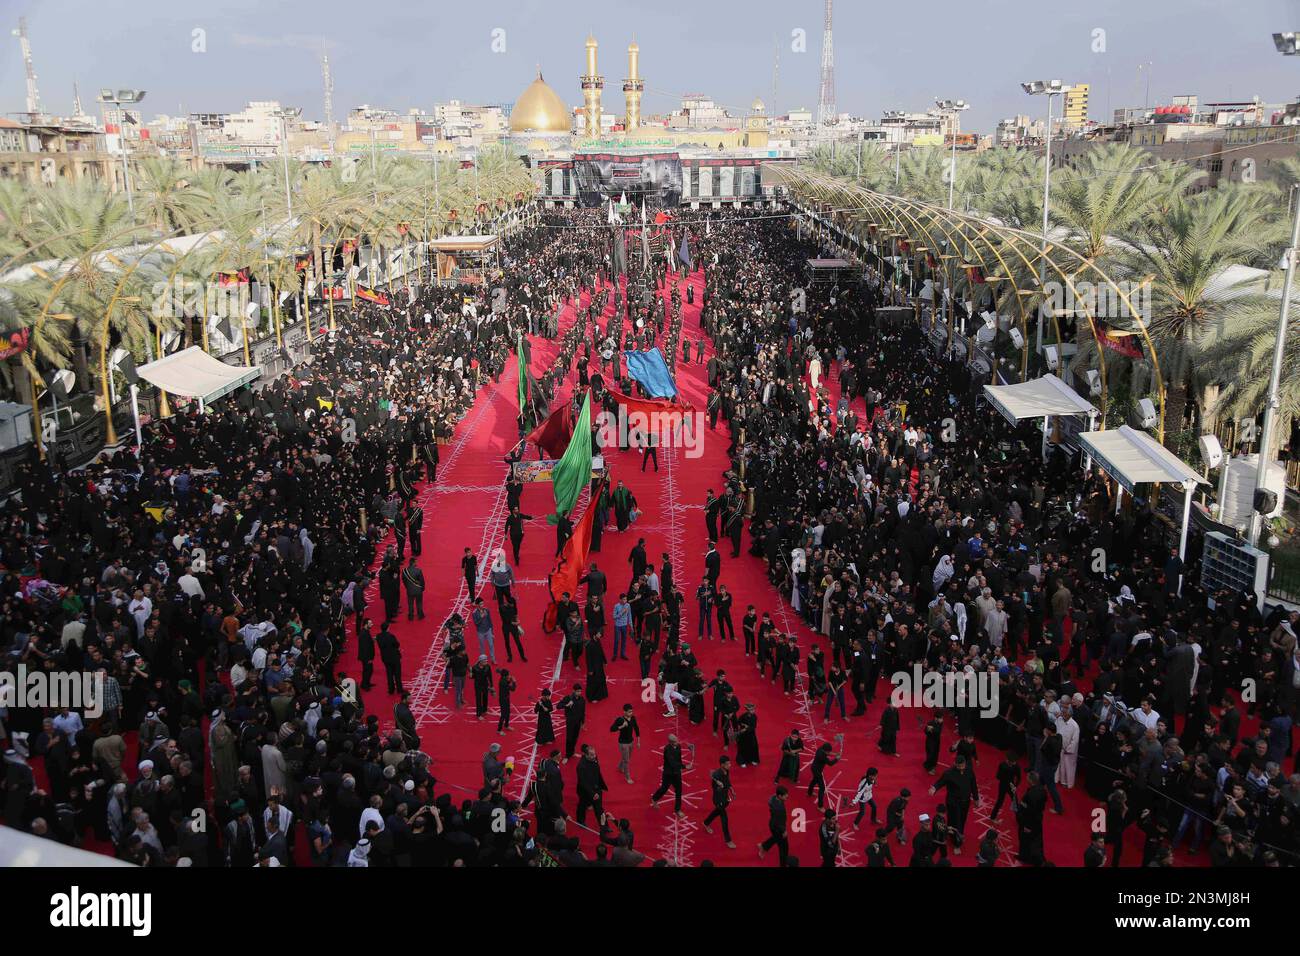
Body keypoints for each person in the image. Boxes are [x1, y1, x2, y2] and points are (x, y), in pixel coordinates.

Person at [702, 755, 736, 848]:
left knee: (716, 812)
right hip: (718, 799)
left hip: (725, 798)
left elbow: (727, 781)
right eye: (728, 764)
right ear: (722, 765)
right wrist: (719, 787)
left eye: (729, 763)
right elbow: (715, 789)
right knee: (724, 819)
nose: (730, 765)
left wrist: (731, 789)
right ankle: (728, 840)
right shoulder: (717, 775)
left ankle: (706, 823)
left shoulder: (726, 771)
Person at [650, 734, 686, 817]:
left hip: (677, 773)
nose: (678, 742)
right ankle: (654, 798)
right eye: (676, 741)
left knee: (679, 791)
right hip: (668, 774)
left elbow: (679, 759)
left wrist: (681, 767)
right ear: (671, 743)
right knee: (664, 789)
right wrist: (684, 766)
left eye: (677, 740)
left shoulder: (679, 746)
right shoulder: (667, 750)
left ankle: (677, 809)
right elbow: (672, 763)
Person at [756, 785, 789, 864]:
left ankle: (763, 846)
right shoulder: (779, 809)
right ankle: (783, 864)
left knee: (776, 838)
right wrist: (783, 830)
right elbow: (778, 822)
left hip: (773, 825)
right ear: (780, 796)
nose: (787, 796)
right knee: (783, 847)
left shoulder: (773, 798)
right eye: (785, 795)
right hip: (778, 827)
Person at [610, 705, 640, 784]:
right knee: (626, 760)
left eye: (632, 711)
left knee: (627, 757)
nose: (631, 713)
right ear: (624, 712)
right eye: (629, 712)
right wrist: (622, 726)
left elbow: (636, 728)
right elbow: (612, 729)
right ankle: (627, 777)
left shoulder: (633, 718)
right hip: (623, 743)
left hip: (631, 742)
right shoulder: (620, 720)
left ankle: (620, 767)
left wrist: (638, 741)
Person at [375, 623, 403, 695]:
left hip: (385, 658)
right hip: (394, 657)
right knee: (397, 674)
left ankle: (391, 689)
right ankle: (399, 689)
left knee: (389, 673)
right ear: (387, 628)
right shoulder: (391, 636)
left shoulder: (378, 636)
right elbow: (397, 644)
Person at [402, 556, 425, 621]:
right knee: (419, 603)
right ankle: (420, 615)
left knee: (410, 603)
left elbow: (404, 580)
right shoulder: (418, 570)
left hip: (409, 590)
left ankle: (411, 616)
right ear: (413, 563)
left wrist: (407, 587)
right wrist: (422, 588)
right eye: (416, 562)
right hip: (418, 590)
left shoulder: (404, 571)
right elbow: (422, 581)